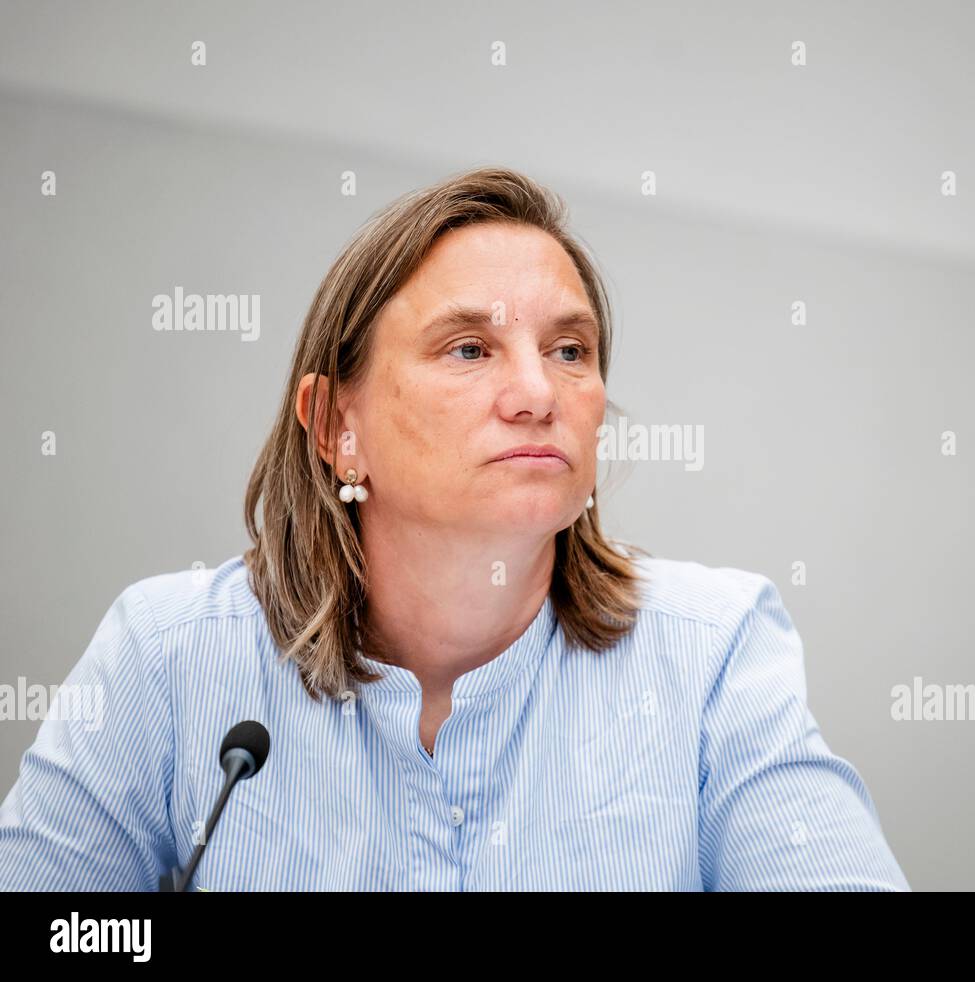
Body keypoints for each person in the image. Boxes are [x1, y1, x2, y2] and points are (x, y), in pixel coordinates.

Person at [0, 167, 909, 891]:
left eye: (570, 350)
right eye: (469, 349)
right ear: (334, 428)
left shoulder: (714, 650)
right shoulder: (167, 656)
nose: (539, 394)